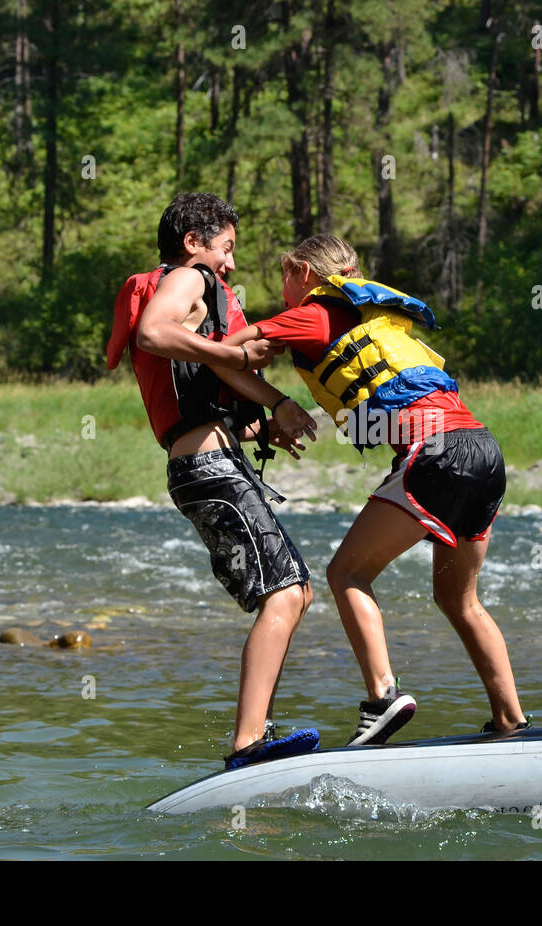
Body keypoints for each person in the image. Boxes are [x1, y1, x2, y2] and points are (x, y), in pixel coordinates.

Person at [222, 233, 527, 745]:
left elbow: (223, 352)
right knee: (460, 601)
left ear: (304, 272)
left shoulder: (313, 313)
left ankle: (383, 698)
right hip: (483, 451)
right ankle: (510, 722)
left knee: (347, 573)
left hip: (437, 454)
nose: (283, 289)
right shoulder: (368, 316)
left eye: (284, 276)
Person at [106, 193, 320, 769]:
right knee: (286, 592)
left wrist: (273, 411)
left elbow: (213, 377)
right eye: (225, 249)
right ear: (193, 243)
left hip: (207, 465)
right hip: (207, 469)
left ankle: (257, 738)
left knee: (294, 592)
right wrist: (223, 352)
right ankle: (248, 747)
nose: (229, 263)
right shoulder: (186, 278)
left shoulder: (200, 292)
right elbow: (152, 332)